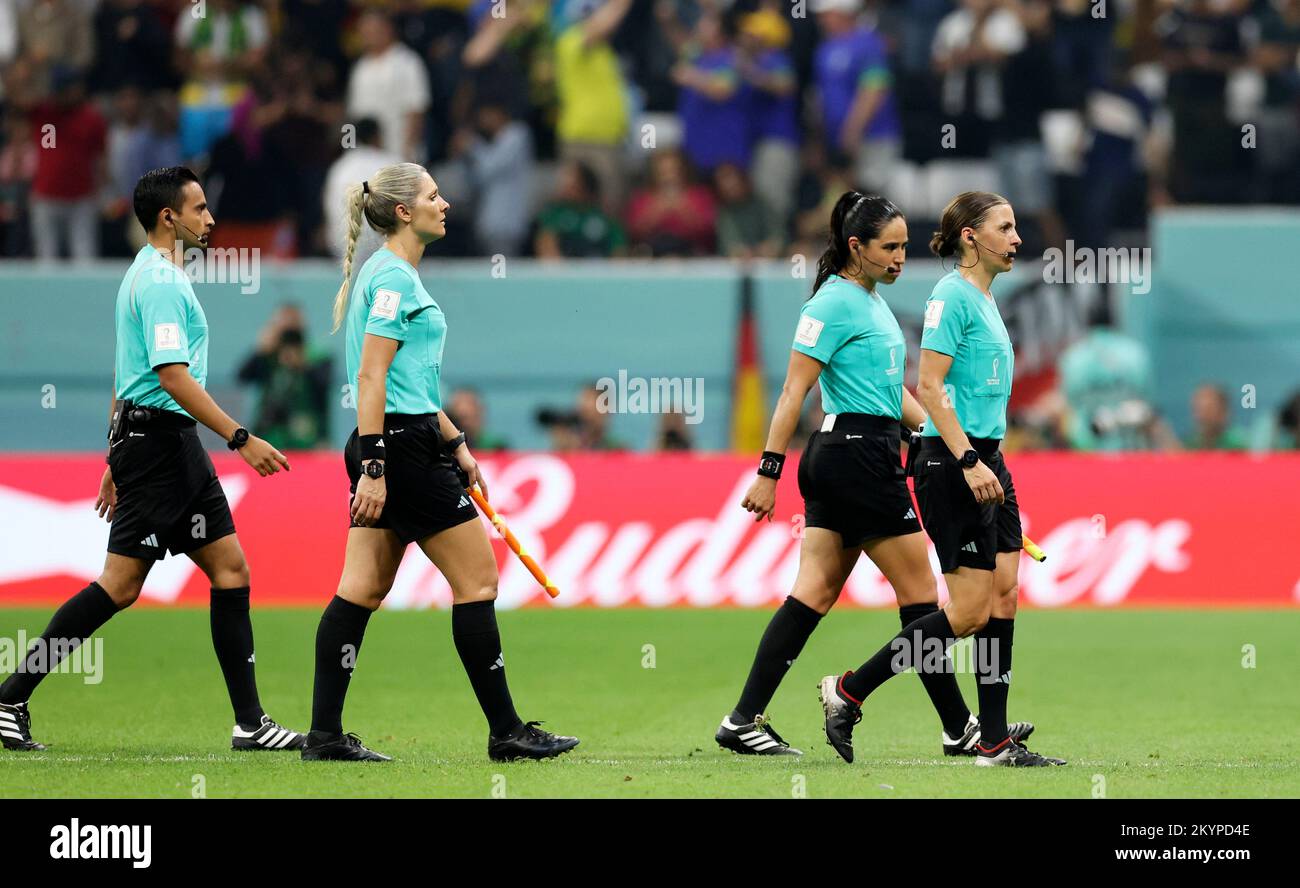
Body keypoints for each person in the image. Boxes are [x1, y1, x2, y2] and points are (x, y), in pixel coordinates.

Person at [0, 166, 303, 752]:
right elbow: (168, 375)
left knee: (228, 569)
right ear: (170, 217)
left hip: (158, 442)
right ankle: (11, 696)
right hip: (162, 443)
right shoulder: (162, 283)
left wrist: (114, 455)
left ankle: (250, 723)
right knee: (120, 584)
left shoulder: (143, 276)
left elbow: (125, 374)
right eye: (199, 209)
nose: (210, 219)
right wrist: (241, 438)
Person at [718, 192, 1028, 758]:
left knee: (812, 593)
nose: (900, 258)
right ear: (854, 247)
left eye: (906, 246)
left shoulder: (871, 300)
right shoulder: (831, 304)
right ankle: (924, 717)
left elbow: (898, 396)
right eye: (890, 247)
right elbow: (793, 390)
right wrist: (768, 470)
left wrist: (931, 436)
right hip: (854, 457)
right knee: (927, 599)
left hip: (862, 450)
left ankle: (743, 718)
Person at [303, 162, 579, 762]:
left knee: (361, 589)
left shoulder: (385, 274)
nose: (445, 203)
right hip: (397, 451)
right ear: (404, 212)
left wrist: (454, 442)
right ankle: (505, 730)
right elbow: (372, 376)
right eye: (433, 196)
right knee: (477, 581)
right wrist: (378, 467)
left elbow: (407, 383)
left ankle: (324, 735)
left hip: (399, 440)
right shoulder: (397, 282)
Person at [820, 191, 1065, 766]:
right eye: (1006, 228)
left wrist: (987, 458)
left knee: (1004, 593)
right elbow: (929, 387)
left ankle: (995, 740)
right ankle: (849, 690)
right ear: (971, 236)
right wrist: (967, 459)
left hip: (988, 458)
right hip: (955, 464)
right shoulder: (950, 296)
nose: (1017, 238)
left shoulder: (983, 298)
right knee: (970, 610)